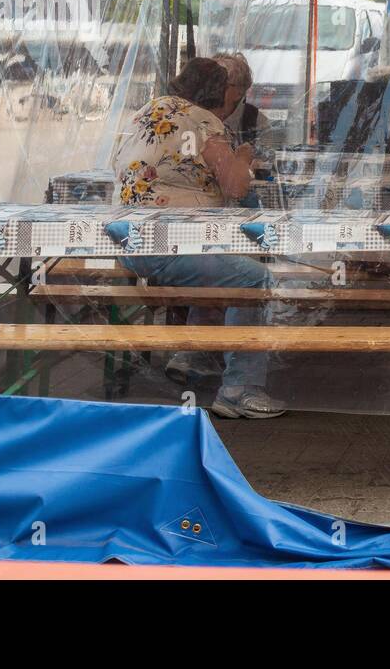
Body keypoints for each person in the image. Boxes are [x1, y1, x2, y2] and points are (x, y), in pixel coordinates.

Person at [111, 57, 289, 418]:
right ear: (220, 93)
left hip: (128, 241)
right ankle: (240, 389)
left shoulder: (148, 109)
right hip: (167, 244)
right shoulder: (202, 120)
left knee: (223, 265)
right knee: (255, 279)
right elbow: (236, 186)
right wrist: (242, 154)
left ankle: (199, 355)